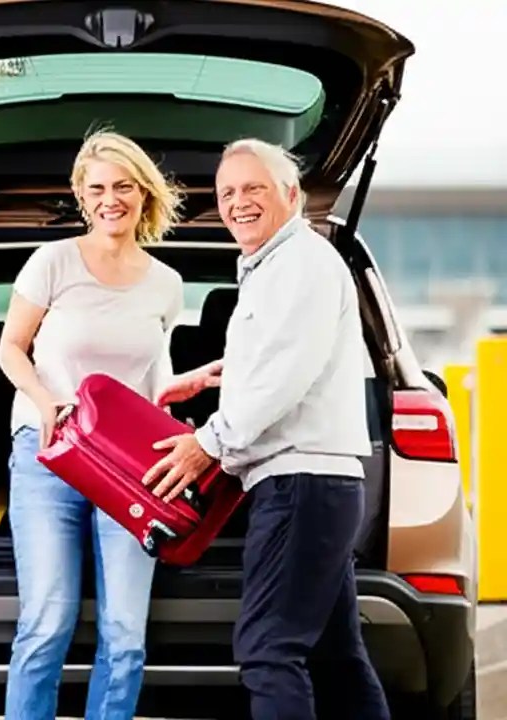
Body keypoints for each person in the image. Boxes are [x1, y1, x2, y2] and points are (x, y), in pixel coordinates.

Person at [143, 137, 389, 719]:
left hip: (300, 483)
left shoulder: (300, 263)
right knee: (336, 656)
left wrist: (208, 443)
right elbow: (283, 356)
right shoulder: (276, 266)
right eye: (227, 192)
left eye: (253, 188)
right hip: (313, 486)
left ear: (291, 194)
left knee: (267, 652)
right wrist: (207, 380)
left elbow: (285, 373)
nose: (237, 202)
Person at [0, 130, 218, 720]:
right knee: (46, 623)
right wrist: (45, 402)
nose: (109, 198)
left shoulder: (166, 283)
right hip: (50, 455)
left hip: (128, 467)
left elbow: (152, 377)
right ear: (80, 194)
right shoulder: (53, 262)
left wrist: (186, 400)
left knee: (125, 637)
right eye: (96, 188)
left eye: (122, 186)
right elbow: (10, 349)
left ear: (143, 193)